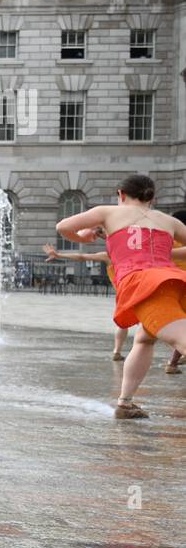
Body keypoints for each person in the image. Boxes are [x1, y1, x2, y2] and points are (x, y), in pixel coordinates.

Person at [56, 173, 186, 418]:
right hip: (171, 281)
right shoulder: (168, 221)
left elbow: (62, 227)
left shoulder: (108, 212)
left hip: (145, 284)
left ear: (121, 195)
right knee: (144, 340)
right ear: (152, 198)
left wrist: (82, 237)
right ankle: (125, 404)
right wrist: (166, 254)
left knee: (181, 339)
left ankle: (126, 404)